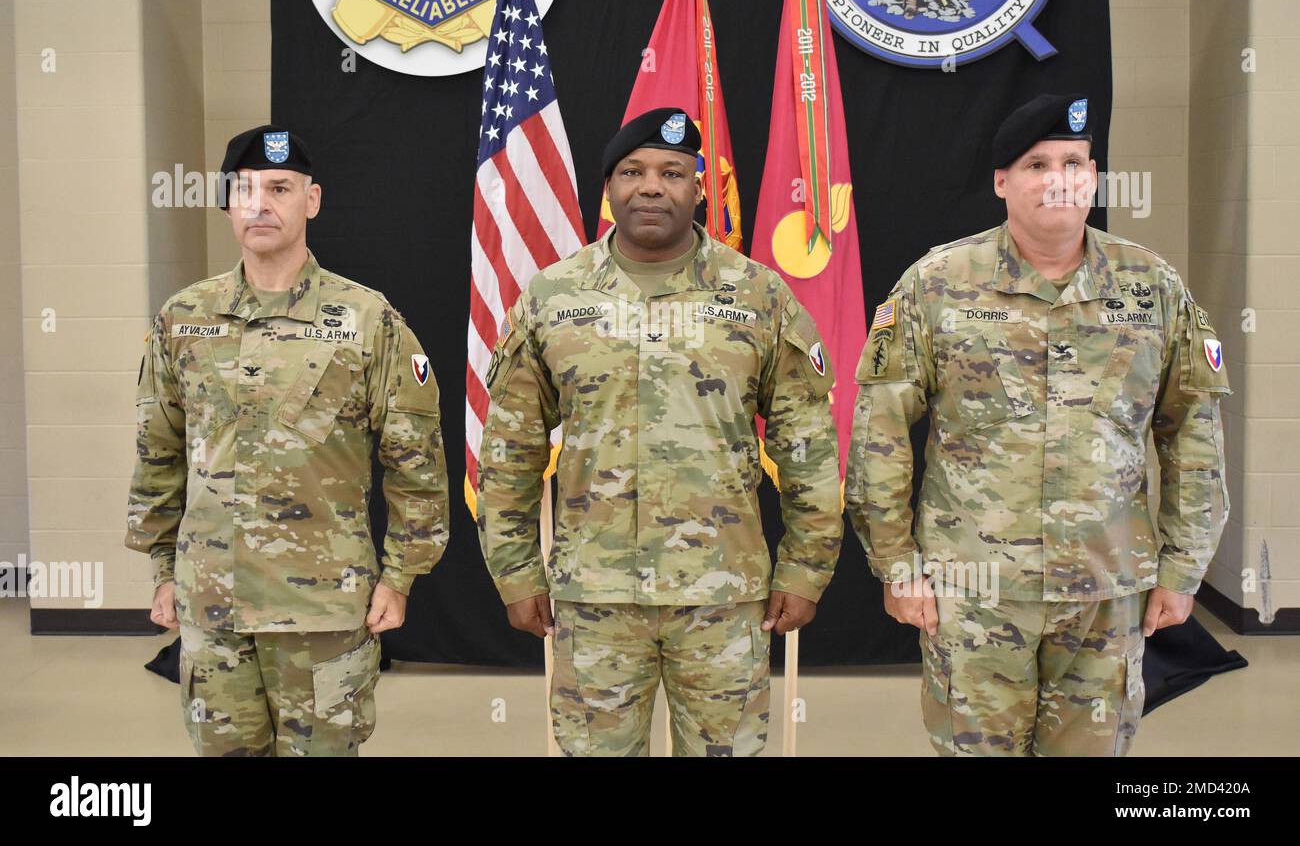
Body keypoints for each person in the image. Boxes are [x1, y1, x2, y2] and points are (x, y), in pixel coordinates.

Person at [846, 93, 1231, 756]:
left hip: (1105, 590)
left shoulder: (1152, 287)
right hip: (972, 589)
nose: (1059, 178)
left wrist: (1183, 567)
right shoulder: (936, 284)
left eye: (1074, 162)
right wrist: (895, 566)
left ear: (1094, 175)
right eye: (1036, 164)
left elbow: (1192, 433)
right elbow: (880, 435)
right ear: (1002, 181)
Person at [477, 108, 843, 756]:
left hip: (724, 597)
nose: (652, 186)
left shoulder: (758, 296)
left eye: (673, 173)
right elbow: (510, 454)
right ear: (609, 189)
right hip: (595, 600)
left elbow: (808, 449)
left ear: (700, 188)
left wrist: (806, 570)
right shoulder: (552, 298)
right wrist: (516, 574)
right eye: (633, 172)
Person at [126, 125, 450, 756]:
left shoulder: (368, 320)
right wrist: (164, 570)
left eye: (279, 188)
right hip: (212, 601)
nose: (259, 204)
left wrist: (400, 577)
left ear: (313, 200)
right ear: (226, 205)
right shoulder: (183, 317)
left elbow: (417, 462)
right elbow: (158, 450)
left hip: (324, 606)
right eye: (243, 190)